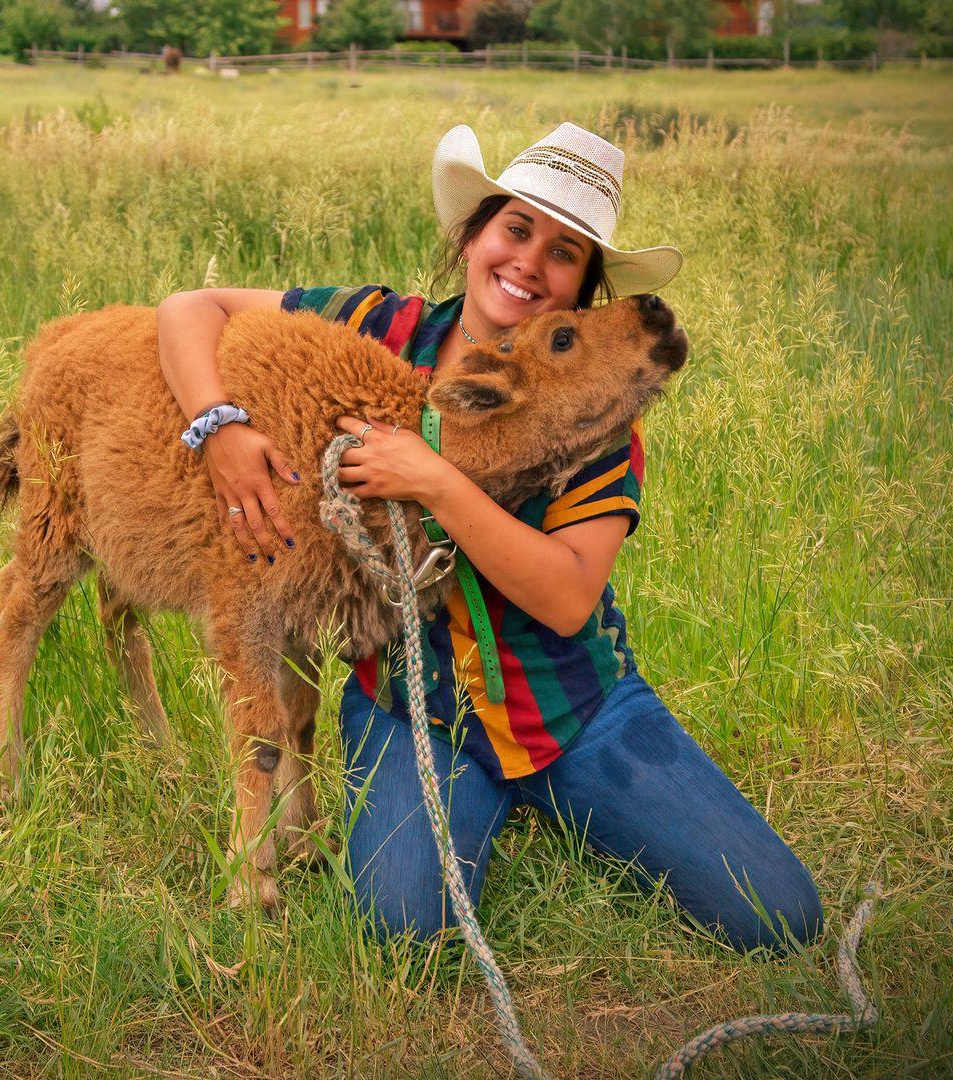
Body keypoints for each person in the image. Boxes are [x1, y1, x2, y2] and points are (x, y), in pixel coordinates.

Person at [153, 122, 822, 953]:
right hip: (412, 706)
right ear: (473, 237)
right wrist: (216, 424)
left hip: (566, 709)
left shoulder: (593, 414)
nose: (529, 263)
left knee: (779, 916)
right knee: (402, 934)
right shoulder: (378, 328)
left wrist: (435, 481)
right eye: (516, 229)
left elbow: (568, 598)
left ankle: (558, 793)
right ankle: (472, 800)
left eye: (564, 253)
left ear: (582, 287)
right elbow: (189, 308)